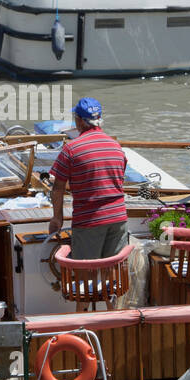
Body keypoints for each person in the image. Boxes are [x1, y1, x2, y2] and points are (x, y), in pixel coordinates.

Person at [48, 97, 128, 261]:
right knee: (113, 269)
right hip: (118, 217)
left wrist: (57, 219)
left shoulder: (71, 149)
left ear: (79, 120)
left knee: (86, 271)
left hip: (89, 221)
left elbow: (58, 188)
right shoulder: (116, 146)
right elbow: (118, 180)